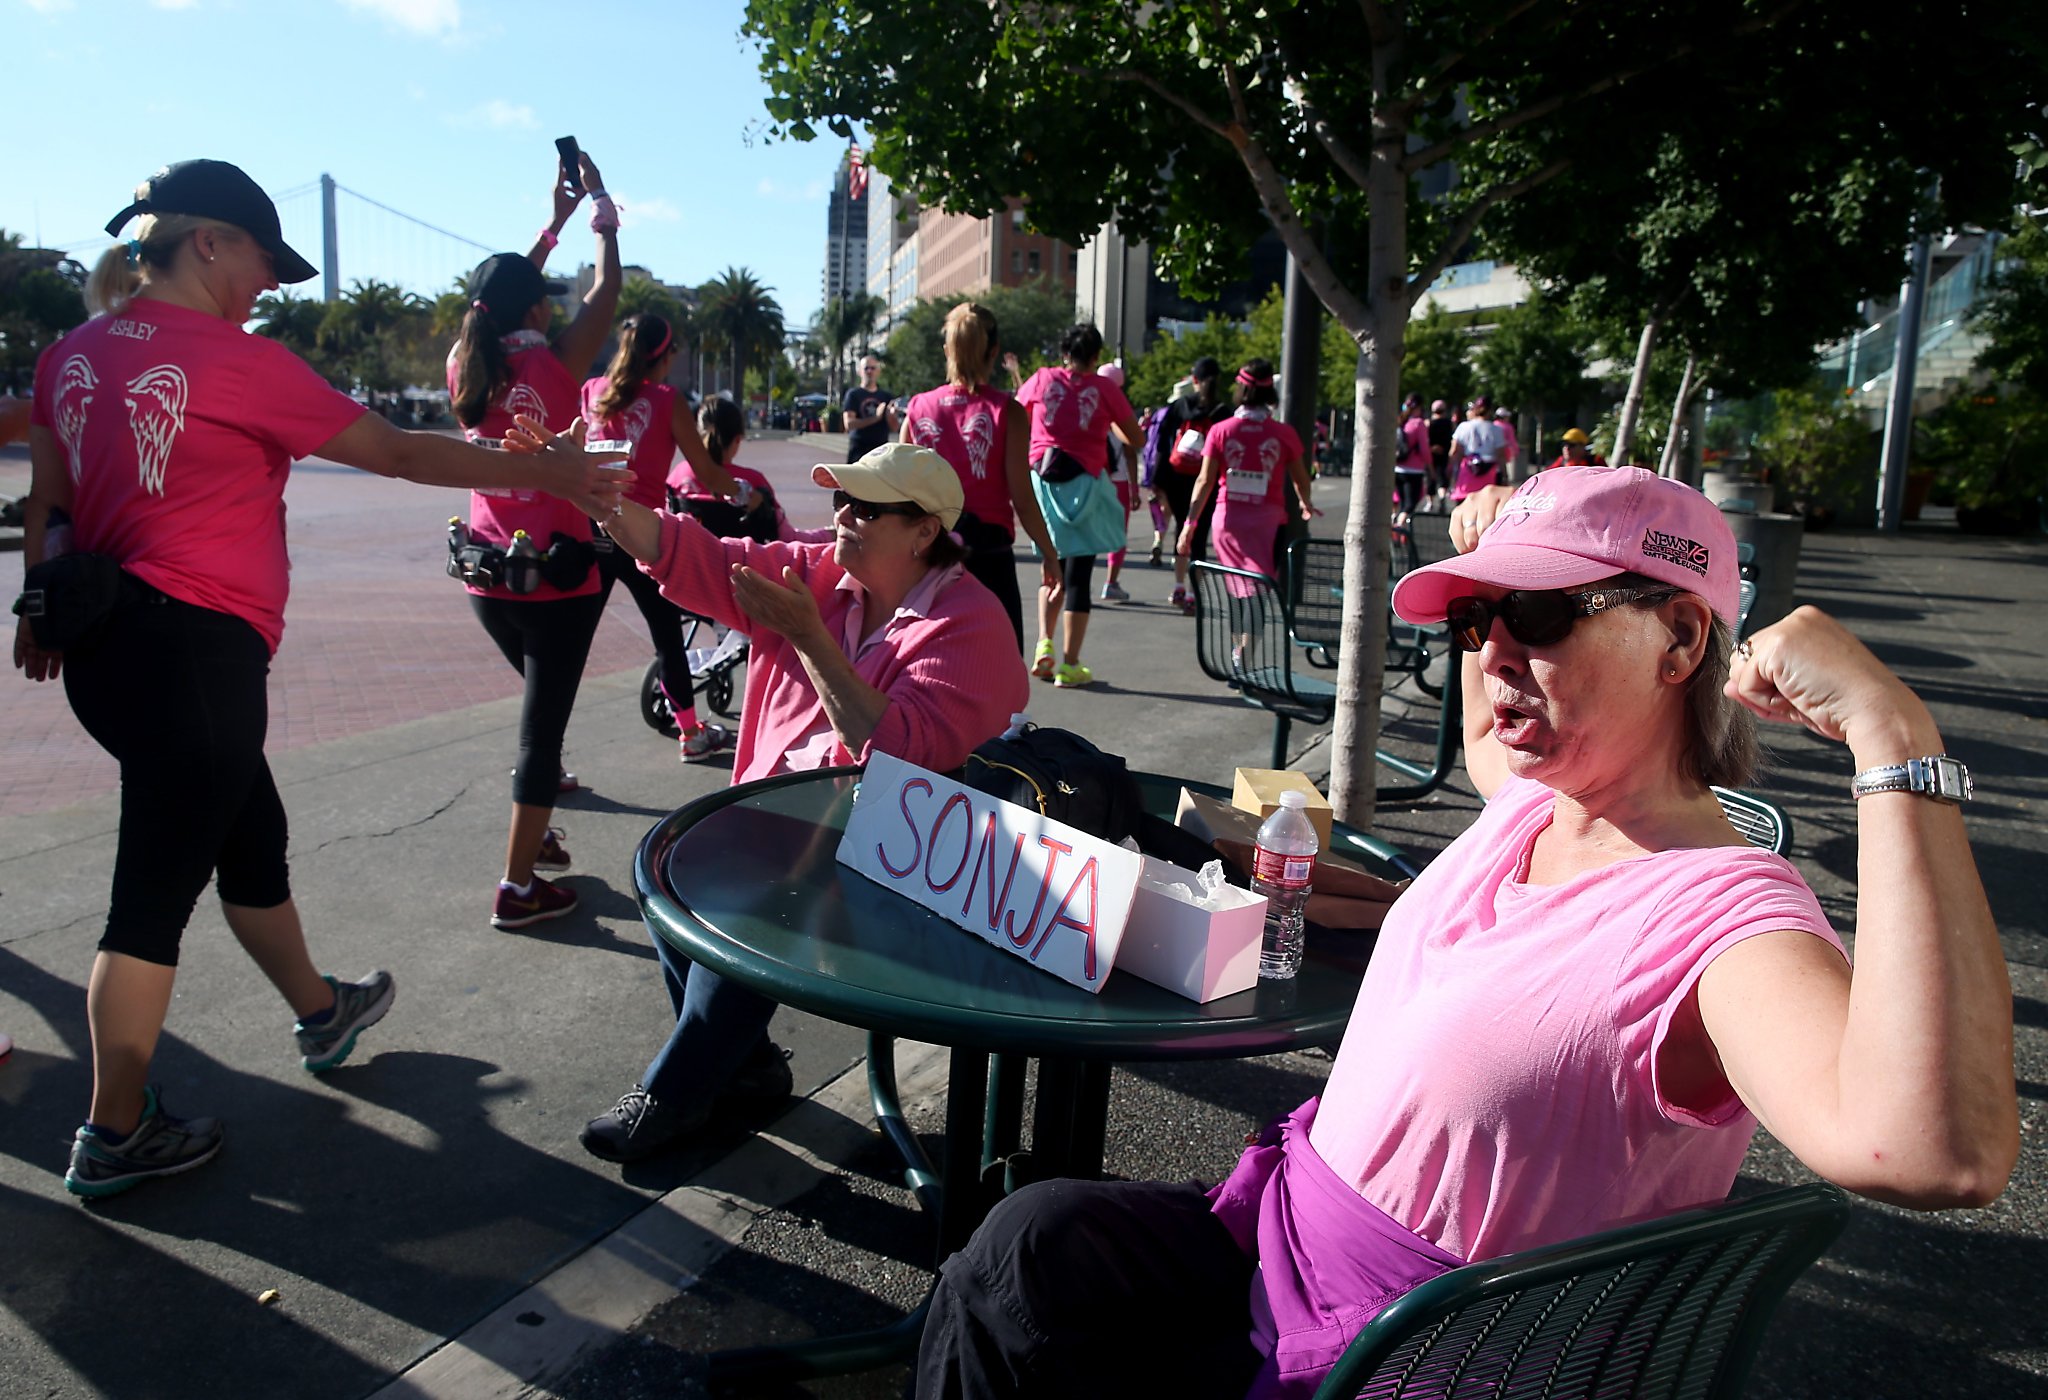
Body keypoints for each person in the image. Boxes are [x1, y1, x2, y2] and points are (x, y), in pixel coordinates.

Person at [914, 465, 2017, 1399]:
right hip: (1272, 1243)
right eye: (1473, 621)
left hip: (1408, 1349)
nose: (1489, 656)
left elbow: (1936, 1149)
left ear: (1680, 637)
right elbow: (1494, 734)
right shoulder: (1538, 800)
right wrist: (1505, 544)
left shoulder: (1722, 914)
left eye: (1537, 618)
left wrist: (1892, 737)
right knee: (1022, 1247)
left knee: (1019, 1295)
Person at [12, 158, 625, 1198]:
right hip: (195, 650)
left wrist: (38, 603)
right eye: (262, 258)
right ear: (209, 241)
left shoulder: (71, 355)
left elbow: (50, 501)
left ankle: (320, 1008)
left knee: (248, 834)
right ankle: (115, 1130)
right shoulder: (230, 357)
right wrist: (548, 471)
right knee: (147, 900)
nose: (271, 284)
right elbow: (393, 452)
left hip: (109, 650)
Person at [568, 439, 1028, 1161]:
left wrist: (808, 637)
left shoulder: (969, 625)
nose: (844, 514)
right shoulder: (812, 569)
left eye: (867, 507)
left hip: (890, 864)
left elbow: (900, 752)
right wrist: (594, 495)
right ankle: (744, 1064)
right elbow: (692, 554)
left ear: (924, 531)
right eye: (841, 499)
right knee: (666, 869)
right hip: (772, 827)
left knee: (754, 910)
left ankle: (672, 1092)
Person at [449, 152, 623, 932]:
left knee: (537, 719)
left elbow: (503, 295)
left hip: (488, 576)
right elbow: (606, 291)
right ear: (537, 311)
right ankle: (517, 888)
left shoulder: (465, 363)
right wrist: (603, 215)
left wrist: (550, 227)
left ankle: (535, 825)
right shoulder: (556, 364)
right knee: (542, 733)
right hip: (557, 578)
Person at [582, 311, 745, 763]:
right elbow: (705, 469)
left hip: (592, 528)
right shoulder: (667, 399)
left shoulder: (591, 391)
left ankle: (547, 753)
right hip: (641, 533)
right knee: (667, 637)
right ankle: (690, 734)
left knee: (572, 644)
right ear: (665, 354)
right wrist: (740, 492)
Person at [899, 301, 1057, 648]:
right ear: (994, 350)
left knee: (930, 658)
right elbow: (1022, 496)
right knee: (997, 663)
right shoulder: (1007, 411)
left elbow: (900, 487)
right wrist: (1049, 553)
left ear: (947, 350)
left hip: (929, 551)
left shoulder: (917, 408)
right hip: (988, 554)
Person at [1016, 324, 1142, 688]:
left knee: (1050, 567)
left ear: (1063, 352)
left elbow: (1016, 419)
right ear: (1096, 356)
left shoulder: (1040, 379)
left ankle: (1044, 644)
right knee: (1079, 576)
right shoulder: (1104, 389)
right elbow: (1136, 437)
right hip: (1085, 483)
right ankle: (1070, 665)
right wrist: (1105, 426)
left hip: (1043, 483)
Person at [1176, 360, 1312, 662]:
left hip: (1228, 521)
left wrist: (1190, 523)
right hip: (1269, 523)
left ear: (1241, 389)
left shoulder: (1221, 431)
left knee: (1236, 587)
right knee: (1258, 590)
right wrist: (1305, 502)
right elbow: (1302, 478)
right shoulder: (1283, 433)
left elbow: (1205, 480)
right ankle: (1245, 654)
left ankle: (1239, 651)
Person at [1154, 357, 1226, 614]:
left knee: (1181, 531)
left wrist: (1158, 481)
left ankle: (1178, 585)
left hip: (1176, 477)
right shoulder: (1222, 411)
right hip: (1207, 480)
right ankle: (1196, 593)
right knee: (1199, 535)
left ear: (1193, 379)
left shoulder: (1178, 407)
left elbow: (1162, 443)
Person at [1095, 363, 1138, 604]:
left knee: (1088, 530)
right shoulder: (1121, 410)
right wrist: (1134, 488)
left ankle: (1077, 582)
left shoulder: (1088, 406)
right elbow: (1131, 451)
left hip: (1091, 478)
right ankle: (1111, 582)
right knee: (1118, 534)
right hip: (1118, 480)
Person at [842, 353, 898, 463]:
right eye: (866, 368)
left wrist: (890, 416)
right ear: (860, 372)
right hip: (859, 450)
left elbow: (894, 428)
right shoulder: (853, 394)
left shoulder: (886, 397)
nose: (869, 371)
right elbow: (849, 424)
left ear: (878, 372)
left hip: (880, 450)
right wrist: (875, 418)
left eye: (873, 368)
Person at [1393, 394, 1429, 518]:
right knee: (1410, 504)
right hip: (1414, 469)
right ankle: (1399, 525)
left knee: (1402, 502)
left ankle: (1397, 525)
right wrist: (1430, 466)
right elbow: (1424, 449)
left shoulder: (1399, 422)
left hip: (1397, 467)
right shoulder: (1419, 423)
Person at [1425, 397, 1457, 511]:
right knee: (1442, 476)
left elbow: (1425, 440)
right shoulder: (1450, 423)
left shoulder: (1428, 423)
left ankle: (1430, 503)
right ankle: (1442, 496)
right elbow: (1453, 438)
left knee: (1430, 477)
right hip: (1445, 453)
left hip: (1431, 453)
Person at [1492, 405, 1521, 476]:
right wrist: (1516, 451)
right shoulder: (1508, 427)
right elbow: (1511, 440)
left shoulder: (1493, 425)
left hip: (1493, 452)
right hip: (1505, 451)